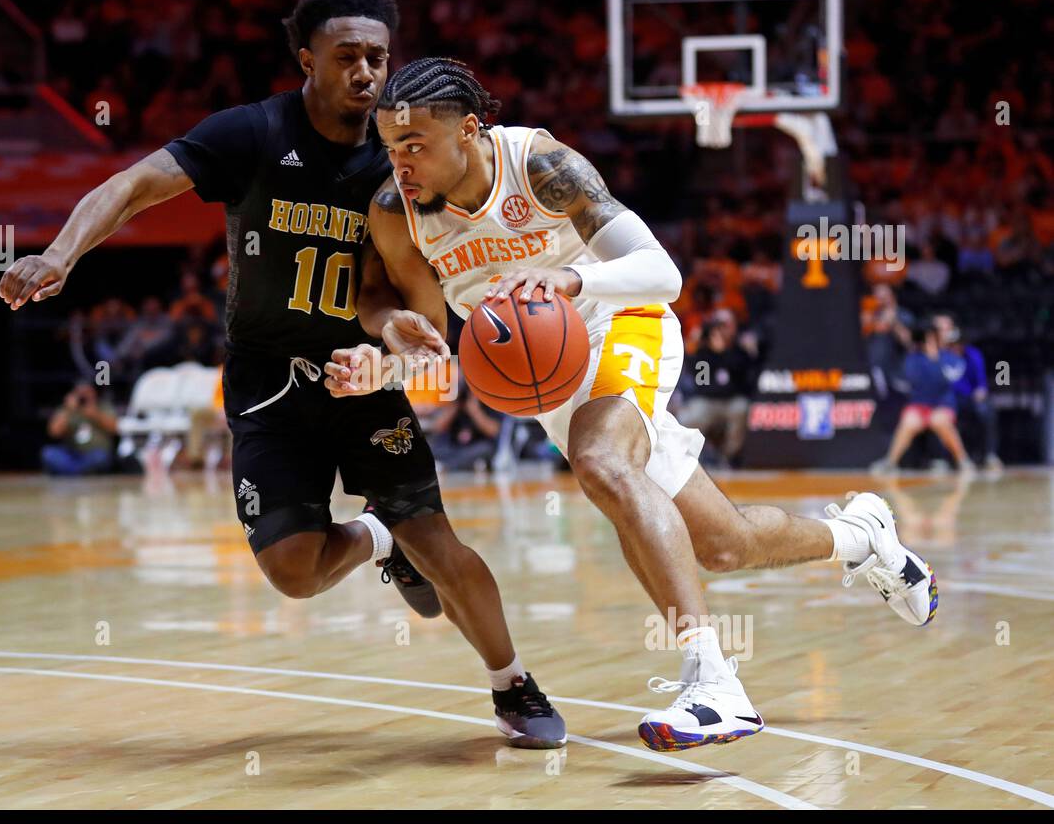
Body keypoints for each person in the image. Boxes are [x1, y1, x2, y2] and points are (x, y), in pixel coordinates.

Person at [0, 0, 565, 748]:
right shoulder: (254, 133)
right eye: (347, 57)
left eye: (377, 57)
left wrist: (398, 335)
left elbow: (395, 292)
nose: (367, 73)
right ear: (307, 60)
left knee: (440, 540)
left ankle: (513, 685)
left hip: (361, 377)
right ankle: (375, 538)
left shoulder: (400, 160)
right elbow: (133, 184)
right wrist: (61, 253)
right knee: (294, 573)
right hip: (266, 377)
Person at [329, 57, 939, 752]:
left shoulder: (541, 165)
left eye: (415, 146)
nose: (399, 162)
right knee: (723, 544)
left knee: (601, 459)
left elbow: (662, 273)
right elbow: (431, 344)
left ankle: (715, 685)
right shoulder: (394, 213)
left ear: (469, 130)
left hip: (619, 323)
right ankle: (863, 535)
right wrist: (380, 361)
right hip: (544, 377)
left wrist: (567, 279)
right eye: (390, 147)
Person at [872, 324, 975, 473]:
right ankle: (890, 462)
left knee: (939, 421)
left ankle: (963, 460)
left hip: (942, 404)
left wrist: (934, 359)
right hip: (919, 404)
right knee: (908, 421)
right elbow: (911, 380)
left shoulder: (949, 358)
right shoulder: (913, 358)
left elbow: (947, 378)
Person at [678, 310, 754, 467]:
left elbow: (743, 376)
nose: (722, 332)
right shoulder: (703, 352)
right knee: (687, 417)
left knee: (741, 407)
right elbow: (701, 383)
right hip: (707, 401)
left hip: (730, 402)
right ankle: (691, 457)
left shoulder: (740, 348)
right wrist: (696, 347)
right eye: (718, 327)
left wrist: (724, 352)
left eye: (725, 326)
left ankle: (727, 457)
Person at [933, 312, 1002, 470]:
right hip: (947, 399)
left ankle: (990, 455)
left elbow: (981, 383)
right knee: (939, 412)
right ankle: (941, 458)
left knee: (986, 410)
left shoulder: (972, 354)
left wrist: (981, 391)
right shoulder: (938, 355)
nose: (956, 344)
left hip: (970, 398)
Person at [42, 382, 118, 476]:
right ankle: (78, 472)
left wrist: (95, 414)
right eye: (80, 393)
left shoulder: (103, 406)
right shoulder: (67, 409)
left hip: (94, 454)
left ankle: (72, 473)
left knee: (101, 457)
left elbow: (115, 429)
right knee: (49, 453)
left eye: (87, 392)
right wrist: (68, 410)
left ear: (94, 393)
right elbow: (54, 432)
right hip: (72, 455)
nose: (84, 396)